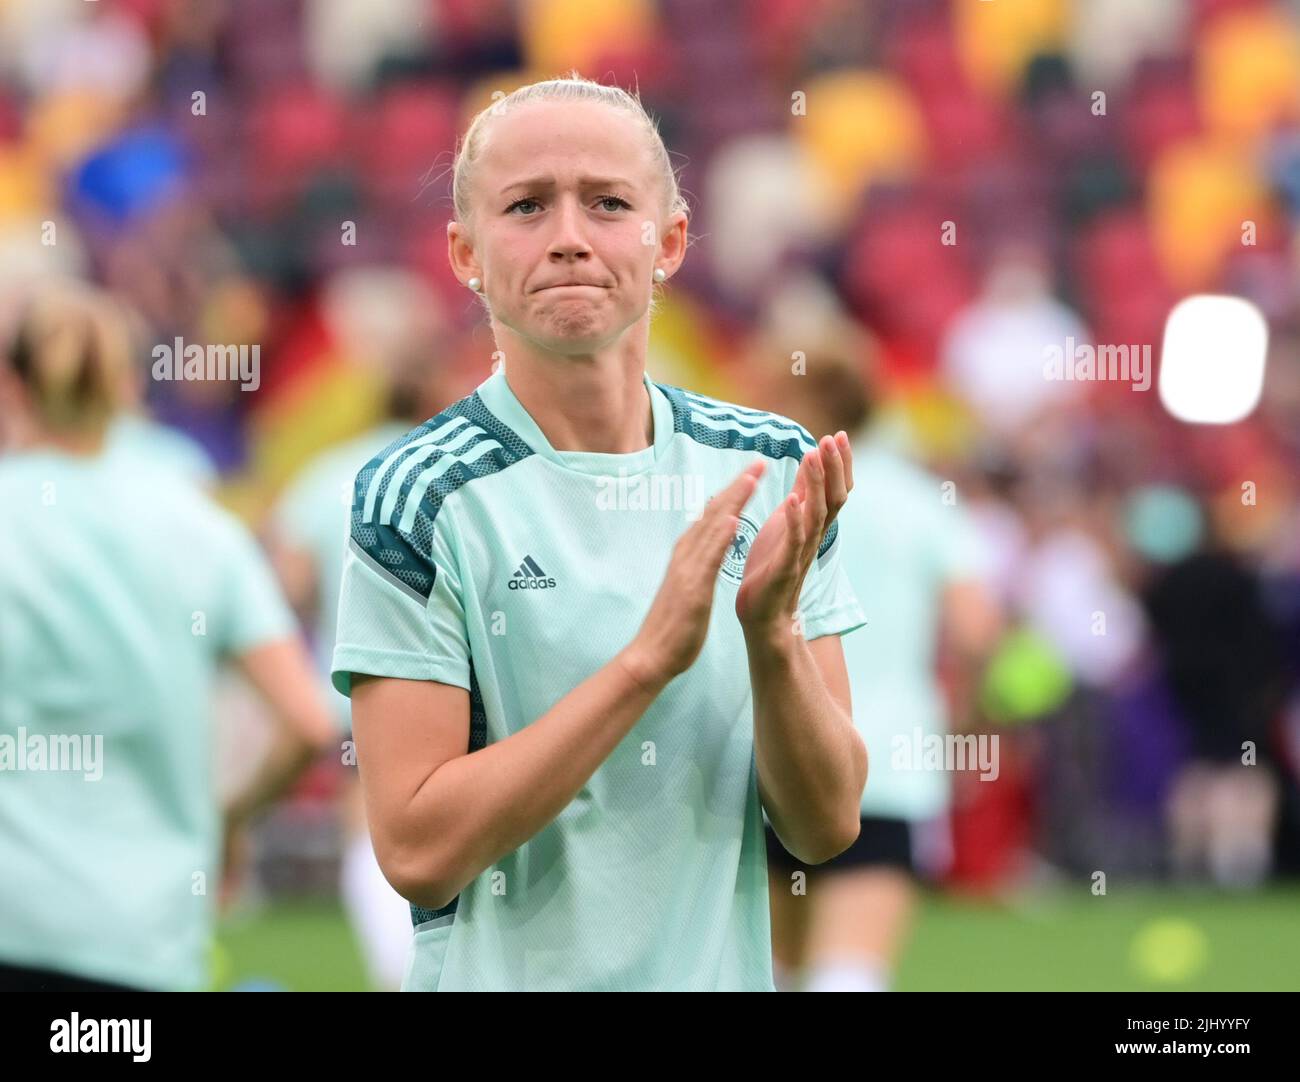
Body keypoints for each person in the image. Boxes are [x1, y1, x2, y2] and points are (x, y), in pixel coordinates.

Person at [330, 73, 869, 992]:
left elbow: (824, 826)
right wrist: (644, 662)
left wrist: (770, 636)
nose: (570, 237)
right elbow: (417, 849)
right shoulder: (419, 493)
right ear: (465, 253)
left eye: (608, 204)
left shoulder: (773, 466)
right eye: (527, 206)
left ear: (671, 240)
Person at [0, 282, 335, 991]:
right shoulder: (198, 527)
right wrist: (228, 824)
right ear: (127, 383)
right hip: (143, 937)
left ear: (14, 385)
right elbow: (307, 720)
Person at [765, 348, 1000, 992]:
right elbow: (977, 630)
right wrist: (967, 717)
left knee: (771, 969)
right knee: (851, 968)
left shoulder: (767, 489)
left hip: (773, 757)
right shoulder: (921, 498)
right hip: (889, 761)